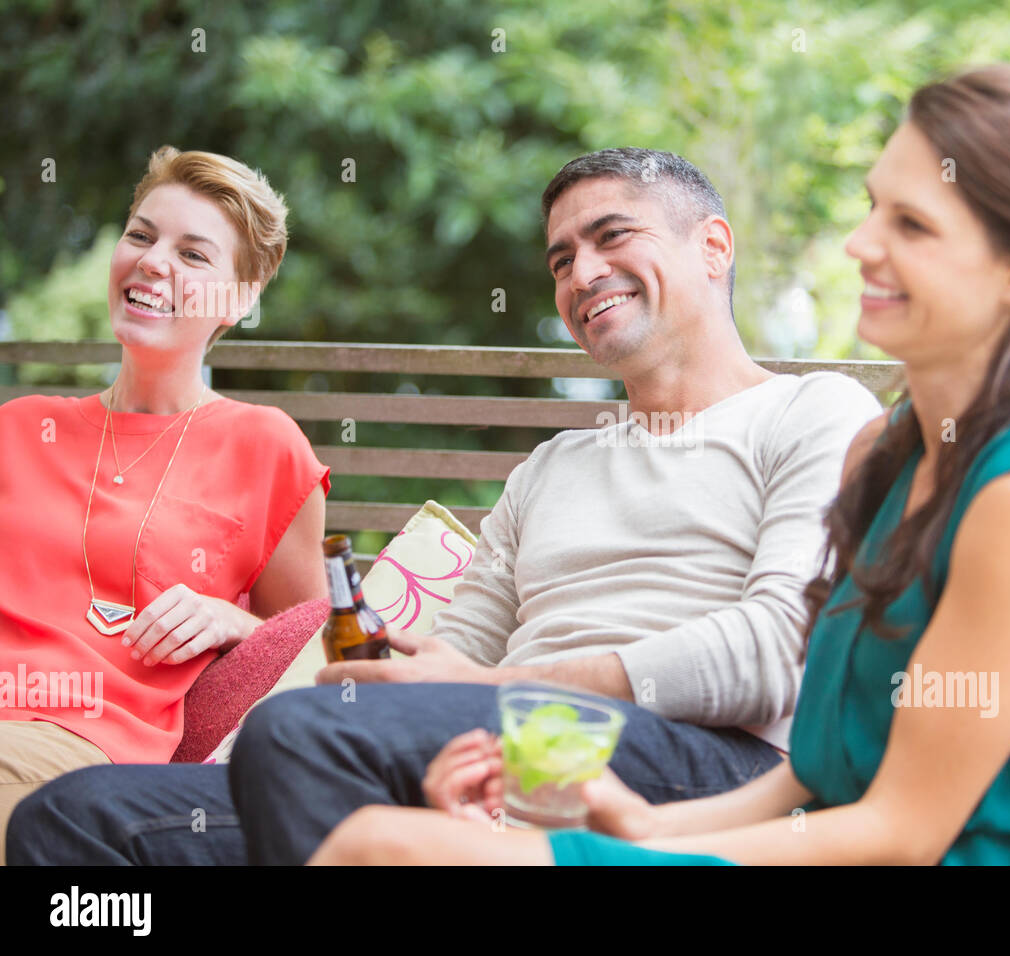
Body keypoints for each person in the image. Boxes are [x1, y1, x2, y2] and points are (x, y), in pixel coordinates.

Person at [306, 63, 1010, 866]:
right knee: (377, 832)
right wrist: (639, 823)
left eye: (911, 224)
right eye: (873, 208)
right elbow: (817, 775)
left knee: (386, 848)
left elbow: (903, 830)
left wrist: (622, 852)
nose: (860, 244)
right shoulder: (889, 455)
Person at [7, 148, 879, 865]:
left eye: (613, 236)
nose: (583, 272)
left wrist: (495, 688)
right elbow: (452, 654)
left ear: (715, 246)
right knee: (72, 819)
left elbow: (778, 652)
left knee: (302, 734)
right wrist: (392, 683)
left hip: (700, 764)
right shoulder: (551, 468)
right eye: (562, 258)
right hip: (502, 749)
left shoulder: (814, 412)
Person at [0, 147, 328, 863]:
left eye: (193, 254)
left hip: (76, 748)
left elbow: (315, 649)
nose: (152, 262)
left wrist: (232, 619)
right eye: (141, 236)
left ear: (240, 300)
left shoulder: (263, 445)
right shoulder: (19, 428)